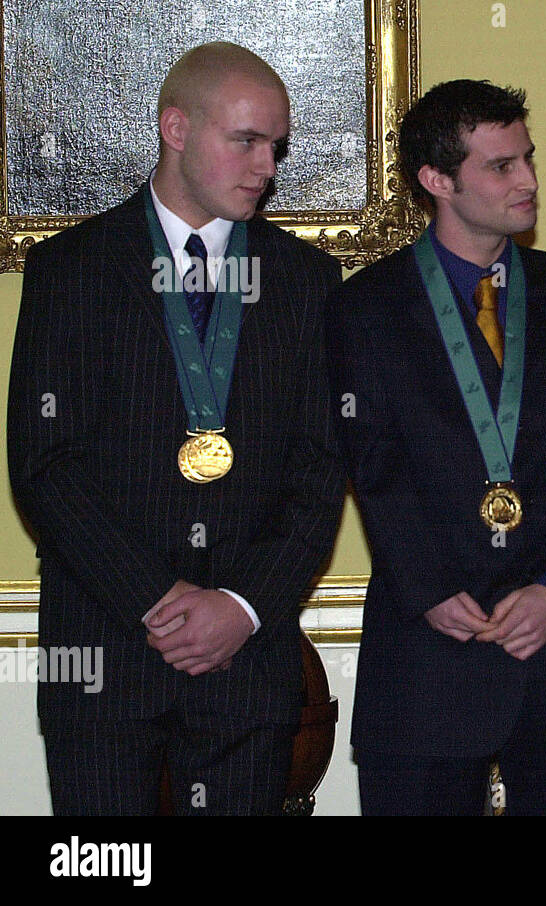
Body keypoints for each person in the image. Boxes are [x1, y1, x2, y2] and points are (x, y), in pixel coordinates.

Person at [7, 42, 345, 815]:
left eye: (277, 146)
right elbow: (45, 463)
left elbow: (322, 468)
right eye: (247, 141)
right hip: (103, 658)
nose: (267, 165)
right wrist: (160, 601)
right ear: (176, 128)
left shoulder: (303, 279)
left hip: (247, 660)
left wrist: (242, 607)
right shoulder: (71, 267)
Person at [328, 79, 546, 815]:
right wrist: (430, 588)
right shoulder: (365, 308)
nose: (528, 179)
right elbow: (372, 467)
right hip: (427, 661)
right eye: (501, 166)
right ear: (437, 180)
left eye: (528, 157)